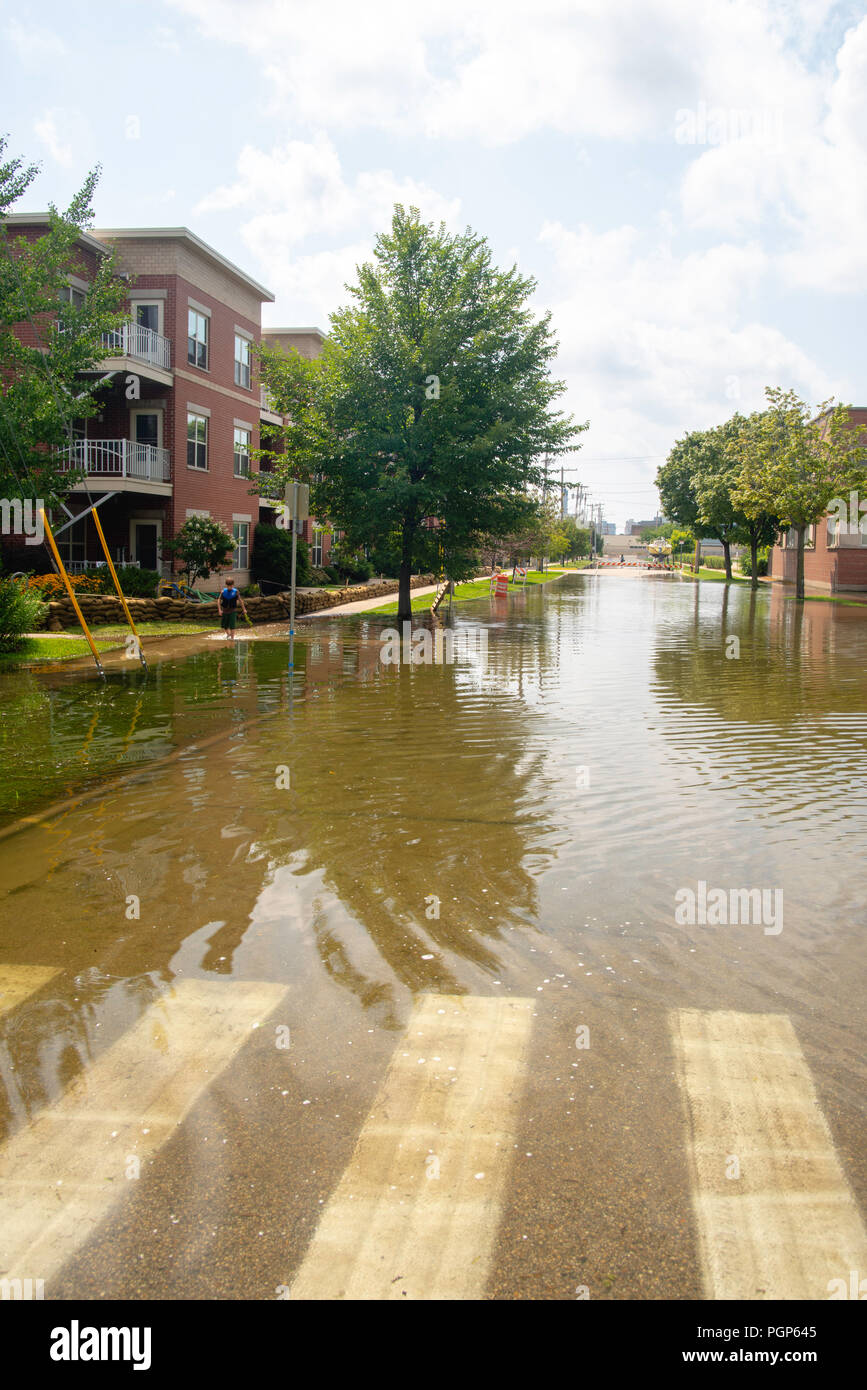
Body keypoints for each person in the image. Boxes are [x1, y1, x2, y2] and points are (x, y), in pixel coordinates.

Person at [217, 576, 247, 641]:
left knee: (232, 626)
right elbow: (219, 600)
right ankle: (228, 634)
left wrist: (244, 609)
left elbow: (240, 600)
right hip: (224, 611)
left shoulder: (236, 592)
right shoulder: (223, 592)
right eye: (228, 586)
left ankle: (232, 638)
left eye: (230, 586)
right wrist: (219, 610)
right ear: (226, 585)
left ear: (233, 585)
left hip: (232, 611)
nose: (229, 587)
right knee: (224, 626)